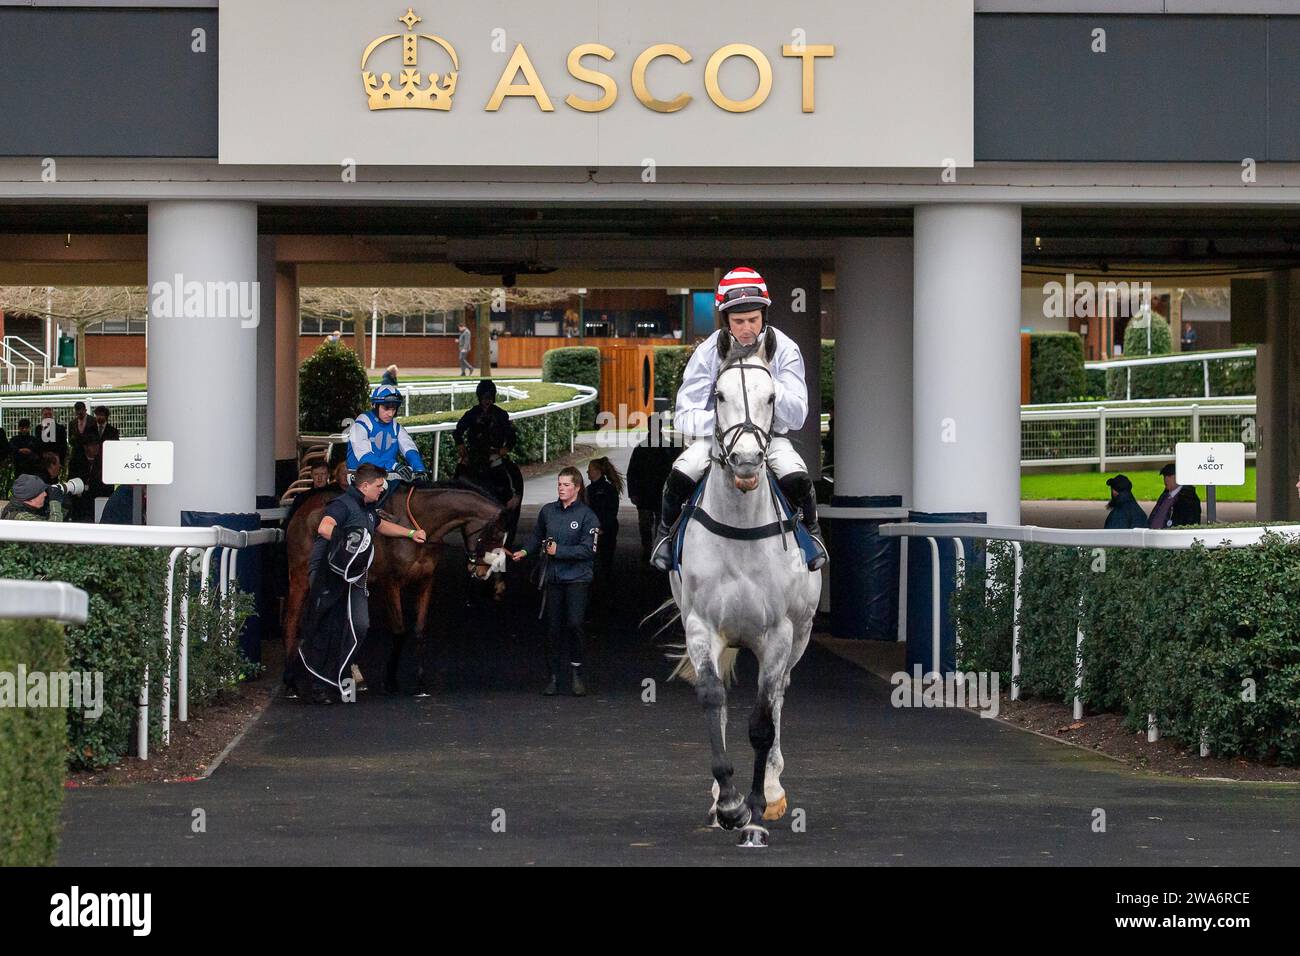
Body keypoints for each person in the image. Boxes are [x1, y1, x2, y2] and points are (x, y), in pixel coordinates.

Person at [650, 266, 827, 572]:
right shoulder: (707, 352)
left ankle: (812, 537)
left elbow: (797, 415)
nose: (747, 328)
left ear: (764, 315)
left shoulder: (785, 349)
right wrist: (725, 427)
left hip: (769, 438)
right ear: (726, 320)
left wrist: (769, 384)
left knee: (796, 475)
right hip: (718, 440)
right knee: (683, 471)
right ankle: (664, 538)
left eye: (753, 320)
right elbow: (684, 416)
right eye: (738, 321)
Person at [289, 463, 427, 703]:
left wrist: (409, 534)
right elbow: (325, 527)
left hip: (354, 575)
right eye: (378, 486)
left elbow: (379, 525)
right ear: (364, 486)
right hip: (329, 573)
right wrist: (348, 542)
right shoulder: (343, 505)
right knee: (328, 626)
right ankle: (316, 682)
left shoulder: (368, 507)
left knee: (360, 625)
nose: (382, 490)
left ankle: (337, 676)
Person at [511, 467, 600, 697]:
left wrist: (559, 550)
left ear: (577, 488)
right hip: (553, 577)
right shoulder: (548, 511)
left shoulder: (588, 516)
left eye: (566, 485)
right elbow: (537, 536)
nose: (561, 488)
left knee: (575, 624)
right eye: (559, 484)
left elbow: (588, 550)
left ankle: (577, 672)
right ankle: (552, 677)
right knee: (552, 628)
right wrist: (524, 551)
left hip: (578, 578)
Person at [345, 385, 428, 491]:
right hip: (361, 477)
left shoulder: (396, 427)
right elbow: (365, 457)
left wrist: (419, 469)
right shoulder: (360, 423)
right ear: (375, 406)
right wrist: (394, 465)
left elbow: (409, 448)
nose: (390, 414)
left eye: (393, 409)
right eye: (386, 408)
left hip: (386, 477)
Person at [452, 378, 518, 505]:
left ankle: (509, 498)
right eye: (484, 398)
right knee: (459, 475)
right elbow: (458, 430)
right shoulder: (472, 413)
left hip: (493, 453)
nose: (487, 401)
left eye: (489, 398)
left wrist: (505, 449)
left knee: (503, 476)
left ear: (493, 398)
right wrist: (460, 444)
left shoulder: (501, 414)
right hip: (474, 453)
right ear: (479, 398)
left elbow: (511, 435)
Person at [627, 414, 680, 562]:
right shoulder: (644, 448)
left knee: (657, 525)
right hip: (648, 494)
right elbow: (632, 472)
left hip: (659, 494)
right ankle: (649, 548)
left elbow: (632, 472)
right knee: (648, 524)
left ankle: (654, 549)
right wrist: (633, 492)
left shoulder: (669, 447)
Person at [585, 456, 623, 608]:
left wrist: (602, 527)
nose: (588, 472)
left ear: (598, 471)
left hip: (605, 531)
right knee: (600, 563)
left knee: (604, 563)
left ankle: (604, 594)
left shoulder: (606, 489)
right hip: (599, 530)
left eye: (591, 469)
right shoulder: (589, 490)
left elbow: (611, 511)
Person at [1148, 463, 1201, 528]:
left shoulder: (1189, 499)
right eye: (1164, 476)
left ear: (1179, 477)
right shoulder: (1165, 495)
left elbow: (1189, 525)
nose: (1166, 479)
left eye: (1169, 476)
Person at [68, 401, 95, 473]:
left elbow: (95, 438)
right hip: (76, 456)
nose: (79, 414)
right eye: (77, 412)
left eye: (81, 412)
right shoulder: (72, 423)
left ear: (85, 410)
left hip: (90, 454)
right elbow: (70, 440)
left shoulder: (93, 421)